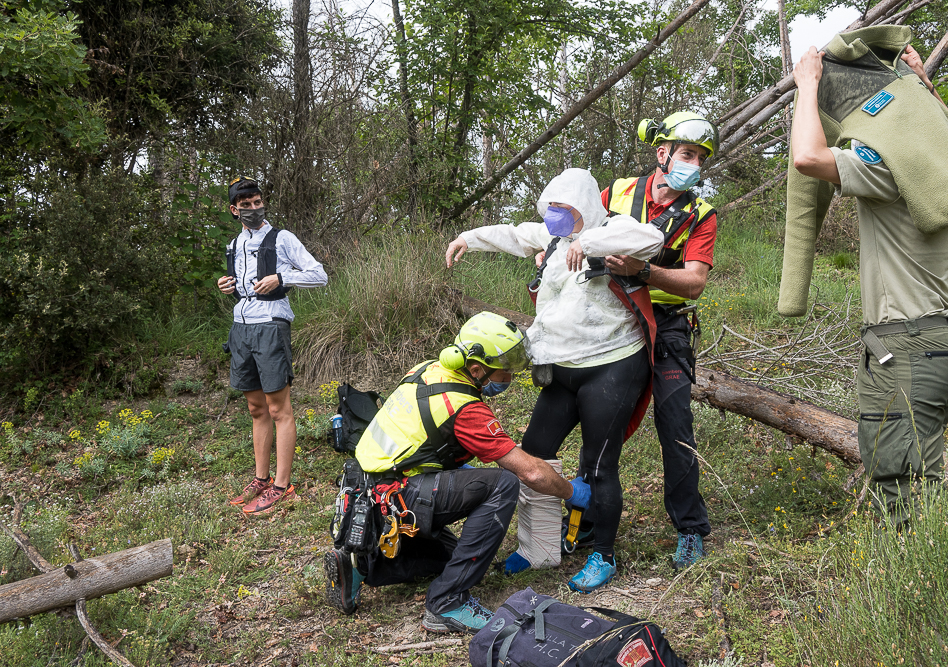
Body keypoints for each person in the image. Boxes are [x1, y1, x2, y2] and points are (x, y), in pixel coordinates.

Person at [784, 28, 948, 526]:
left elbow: (807, 158)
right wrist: (924, 85)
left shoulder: (889, 170)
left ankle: (922, 594)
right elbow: (942, 131)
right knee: (916, 480)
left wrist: (808, 86)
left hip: (907, 348)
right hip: (942, 344)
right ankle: (928, 579)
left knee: (904, 495)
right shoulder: (943, 170)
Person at [445, 168, 664, 593]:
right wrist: (467, 238)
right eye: (552, 210)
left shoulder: (613, 228)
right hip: (560, 369)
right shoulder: (553, 239)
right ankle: (538, 547)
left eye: (565, 209)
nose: (557, 217)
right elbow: (511, 234)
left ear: (585, 206)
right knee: (535, 455)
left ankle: (603, 553)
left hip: (611, 363)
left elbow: (649, 240)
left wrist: (589, 243)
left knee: (599, 465)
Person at [324, 312, 591, 633]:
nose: (509, 377)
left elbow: (421, 436)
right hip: (398, 495)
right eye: (504, 370)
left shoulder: (427, 369)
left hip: (369, 489)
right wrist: (571, 491)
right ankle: (447, 602)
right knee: (503, 484)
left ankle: (362, 564)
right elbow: (531, 473)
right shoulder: (467, 410)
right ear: (477, 369)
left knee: (455, 559)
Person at [601, 111, 720, 567]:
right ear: (662, 153)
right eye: (687, 153)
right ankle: (588, 525)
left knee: (675, 424)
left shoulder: (700, 214)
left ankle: (691, 529)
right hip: (614, 320)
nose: (693, 163)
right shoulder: (617, 192)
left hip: (668, 326)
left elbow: (693, 283)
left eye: (700, 157)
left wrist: (644, 271)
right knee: (602, 422)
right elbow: (576, 227)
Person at [218, 176, 328, 515]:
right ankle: (261, 479)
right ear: (234, 210)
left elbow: (319, 274)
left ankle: (283, 486)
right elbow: (240, 286)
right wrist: (227, 285)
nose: (254, 208)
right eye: (246, 204)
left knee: (279, 408)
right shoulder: (234, 245)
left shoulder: (282, 238)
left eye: (257, 201)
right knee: (256, 408)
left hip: (271, 324)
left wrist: (282, 278)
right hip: (241, 326)